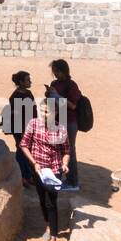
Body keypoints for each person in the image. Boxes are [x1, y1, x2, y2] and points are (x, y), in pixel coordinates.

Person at [19, 91, 71, 241]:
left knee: (51, 203)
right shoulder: (33, 124)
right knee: (42, 200)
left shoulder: (61, 129)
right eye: (41, 111)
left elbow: (67, 151)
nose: (43, 114)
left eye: (47, 111)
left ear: (55, 113)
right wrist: (34, 163)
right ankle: (48, 226)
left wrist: (65, 164)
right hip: (39, 170)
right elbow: (24, 145)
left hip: (55, 170)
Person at [49, 59, 82, 189]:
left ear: (63, 71)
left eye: (56, 72)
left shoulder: (71, 85)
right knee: (57, 150)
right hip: (57, 121)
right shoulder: (54, 83)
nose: (55, 74)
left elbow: (73, 105)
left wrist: (56, 96)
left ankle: (73, 181)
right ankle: (59, 178)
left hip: (69, 122)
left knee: (69, 151)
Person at [7, 71, 37, 186]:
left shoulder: (28, 93)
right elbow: (17, 116)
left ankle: (27, 176)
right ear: (21, 82)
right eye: (27, 80)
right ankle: (22, 176)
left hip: (28, 127)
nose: (30, 82)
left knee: (26, 151)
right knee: (21, 151)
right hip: (20, 128)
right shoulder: (16, 97)